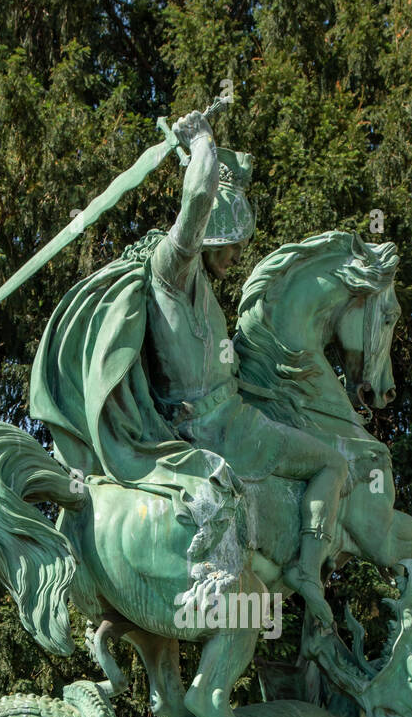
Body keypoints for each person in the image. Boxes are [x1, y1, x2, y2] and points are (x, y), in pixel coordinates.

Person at [143, 109, 349, 630]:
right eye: (233, 241)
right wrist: (201, 141)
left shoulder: (201, 292)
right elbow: (197, 198)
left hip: (226, 419)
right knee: (333, 464)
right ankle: (306, 572)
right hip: (225, 431)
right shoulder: (172, 269)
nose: (238, 254)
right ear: (210, 232)